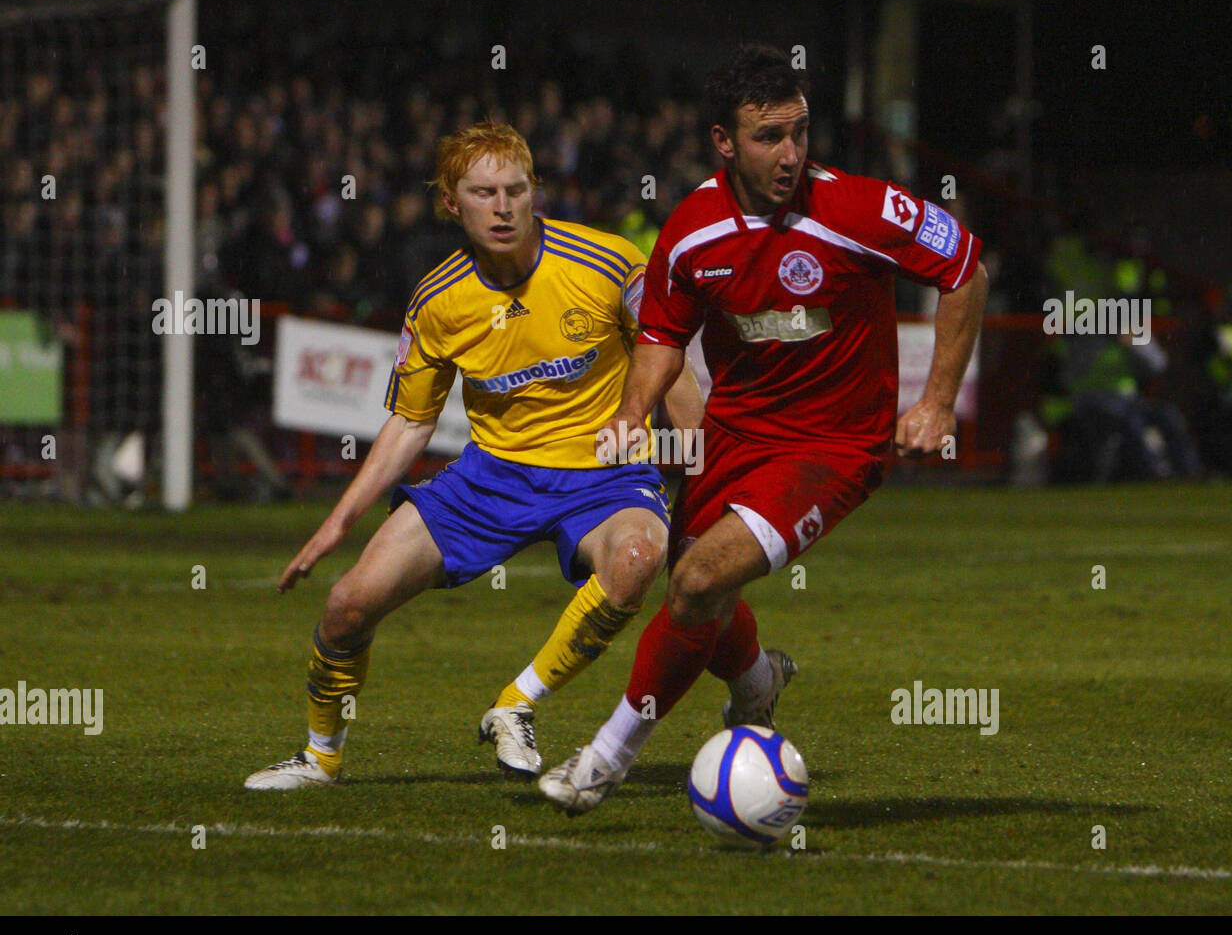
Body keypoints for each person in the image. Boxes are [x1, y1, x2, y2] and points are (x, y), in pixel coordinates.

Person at [539, 45, 988, 813]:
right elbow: (660, 340)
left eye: (800, 133)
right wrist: (628, 413)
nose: (791, 155)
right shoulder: (689, 233)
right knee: (699, 593)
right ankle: (756, 684)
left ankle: (603, 760)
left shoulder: (857, 209)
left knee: (699, 579)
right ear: (723, 141)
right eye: (768, 137)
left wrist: (936, 400)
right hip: (735, 437)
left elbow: (966, 269)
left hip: (833, 446)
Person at [245, 122, 702, 789]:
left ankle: (516, 705)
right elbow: (409, 423)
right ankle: (320, 758)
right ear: (451, 203)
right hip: (491, 479)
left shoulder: (609, 263)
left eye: (516, 189)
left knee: (636, 560)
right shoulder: (438, 300)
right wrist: (336, 524)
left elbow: (672, 366)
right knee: (347, 605)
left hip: (603, 473)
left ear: (535, 192)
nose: (504, 206)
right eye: (484, 192)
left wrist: (697, 477)